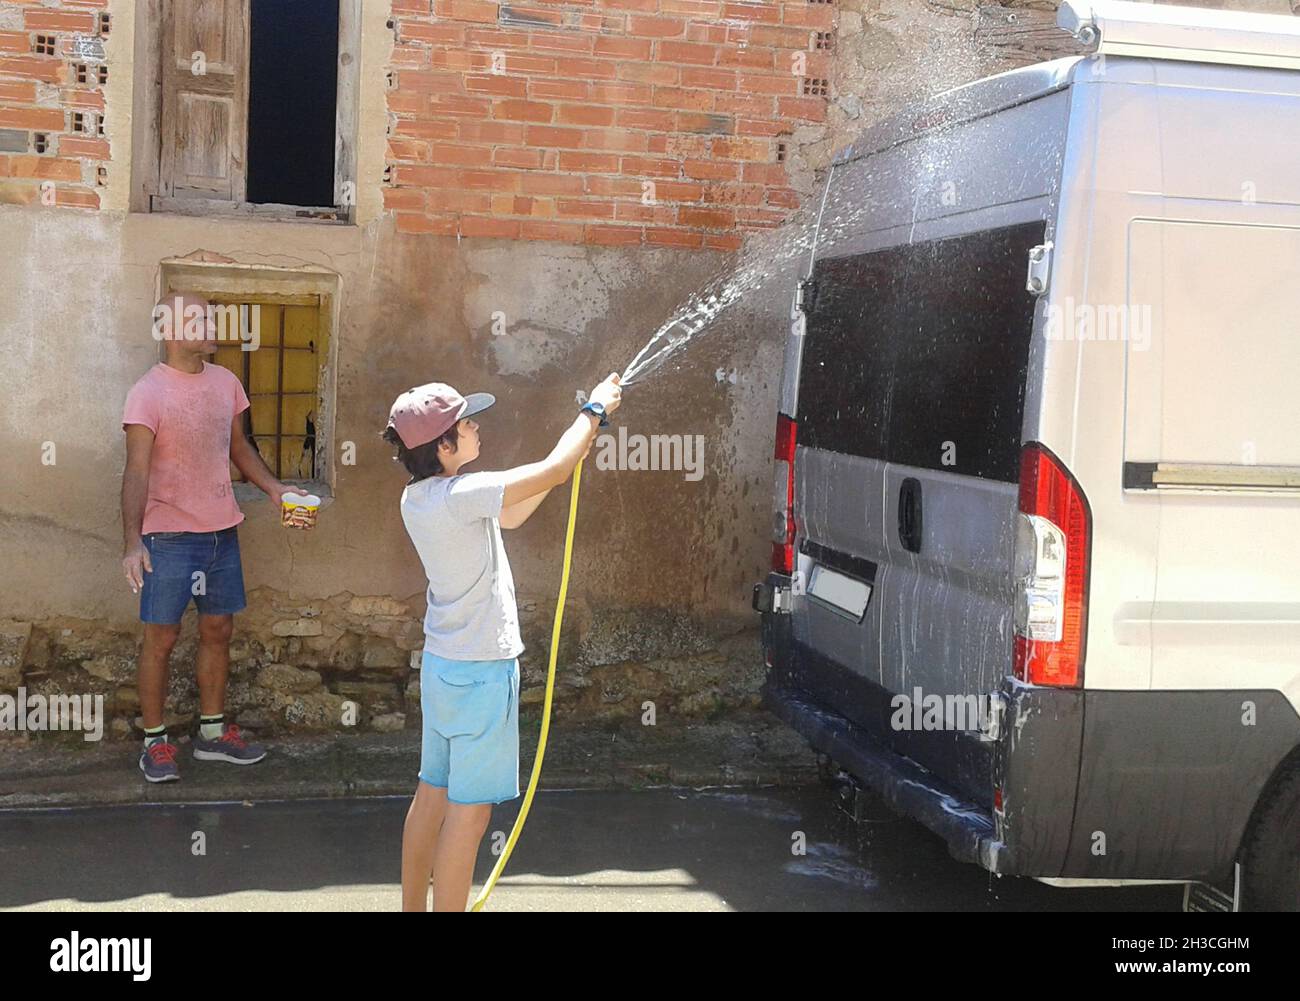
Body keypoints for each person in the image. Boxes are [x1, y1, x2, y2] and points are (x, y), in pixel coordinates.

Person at [387, 374, 622, 911]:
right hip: (482, 673)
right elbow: (554, 470)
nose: (474, 429)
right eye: (465, 424)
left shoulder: (420, 498)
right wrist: (593, 411)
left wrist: (563, 465)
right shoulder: (463, 493)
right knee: (470, 817)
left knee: (433, 793)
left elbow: (513, 510)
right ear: (442, 446)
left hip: (445, 668)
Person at [121, 293, 290, 782]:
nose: (213, 323)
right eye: (200, 318)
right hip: (168, 537)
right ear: (171, 329)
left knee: (218, 631)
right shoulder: (147, 393)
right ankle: (155, 743)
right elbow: (135, 471)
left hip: (221, 532)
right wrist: (133, 541)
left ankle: (212, 736)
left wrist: (276, 489)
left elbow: (240, 448)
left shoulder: (227, 384)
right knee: (161, 638)